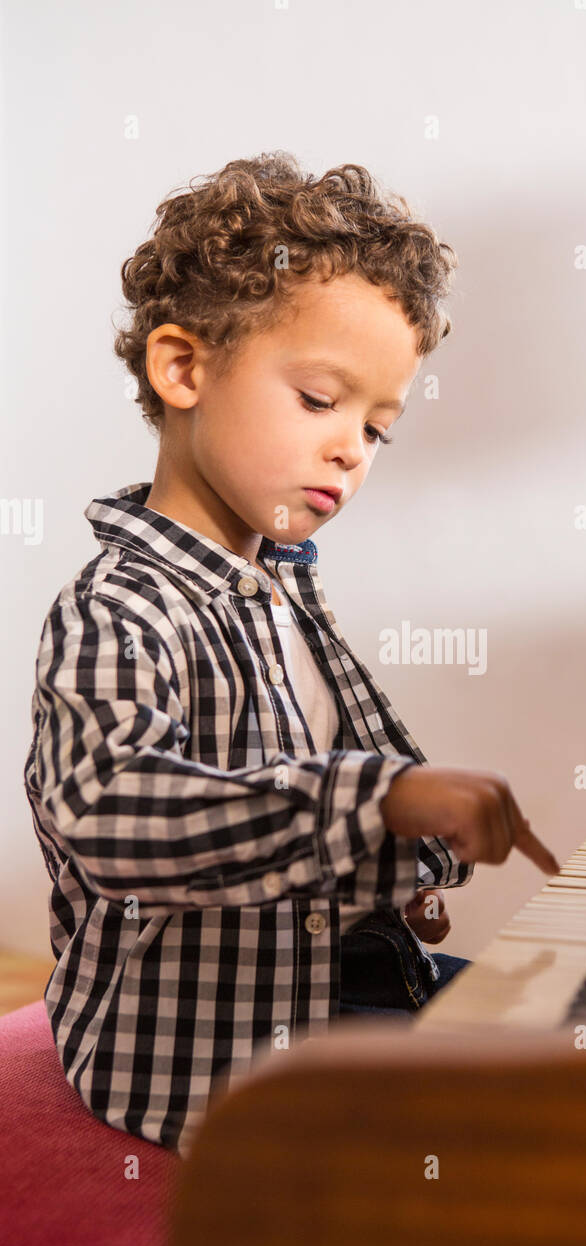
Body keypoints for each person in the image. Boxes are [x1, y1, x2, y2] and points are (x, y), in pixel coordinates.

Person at [22, 152, 558, 1158]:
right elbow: (113, 812)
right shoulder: (116, 606)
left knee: (583, 1054)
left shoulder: (287, 590)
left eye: (376, 428)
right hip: (206, 1056)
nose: (352, 448)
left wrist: (403, 862)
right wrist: (381, 801)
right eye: (320, 401)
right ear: (183, 369)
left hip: (345, 981)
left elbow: (327, 782)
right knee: (514, 1161)